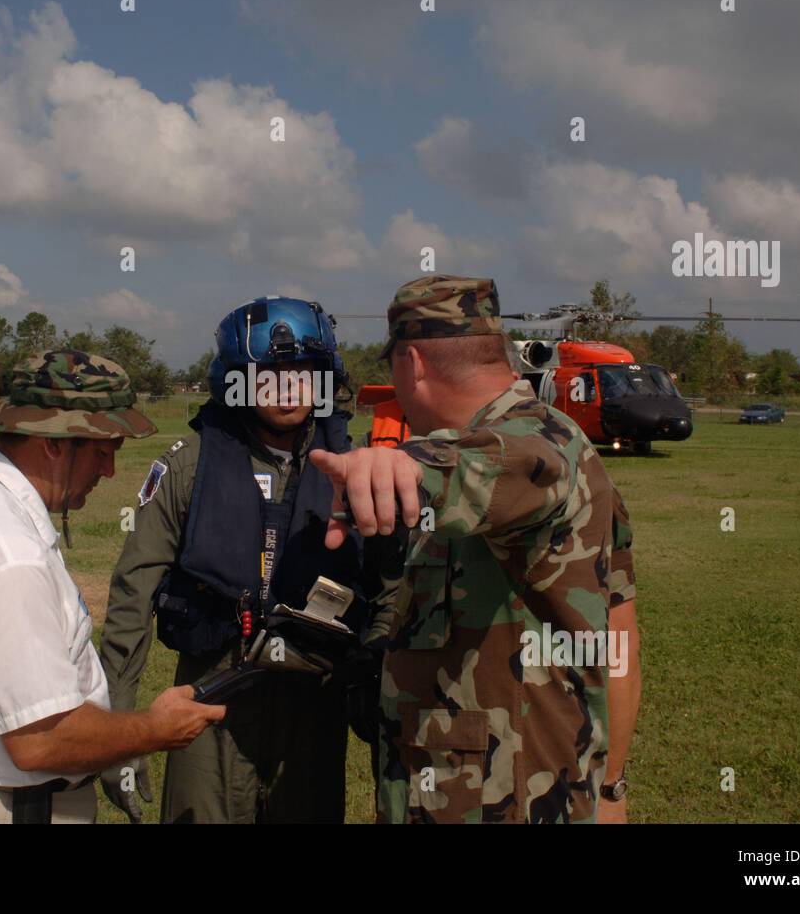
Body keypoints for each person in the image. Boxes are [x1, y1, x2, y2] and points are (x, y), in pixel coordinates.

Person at [310, 275, 642, 824]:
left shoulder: (533, 442)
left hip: (502, 799)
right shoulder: (544, 439)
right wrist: (611, 783)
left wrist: (399, 463)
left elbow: (492, 466)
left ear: (411, 363)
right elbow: (620, 632)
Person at [0, 349, 225, 824]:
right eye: (102, 451)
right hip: (5, 809)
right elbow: (41, 740)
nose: (109, 472)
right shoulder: (8, 553)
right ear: (55, 443)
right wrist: (157, 728)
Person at [99, 297, 398, 823]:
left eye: (301, 374)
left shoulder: (357, 467)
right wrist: (118, 727)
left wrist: (372, 679)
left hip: (312, 694)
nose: (287, 389)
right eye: (268, 376)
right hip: (210, 695)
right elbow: (132, 594)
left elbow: (391, 586)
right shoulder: (187, 467)